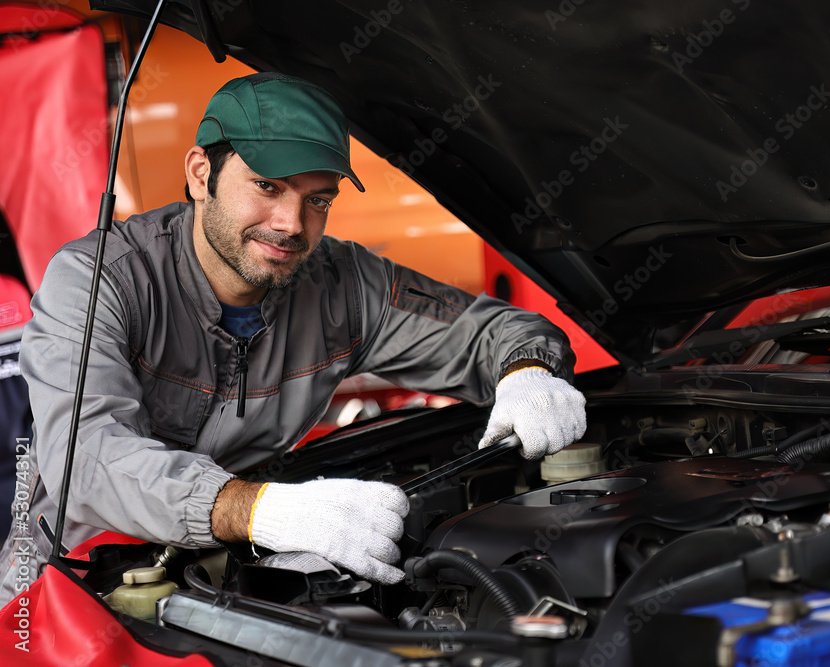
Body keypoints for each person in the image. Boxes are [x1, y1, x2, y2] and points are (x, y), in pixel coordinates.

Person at [0, 72, 585, 603]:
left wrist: (527, 373)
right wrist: (258, 510)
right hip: (68, 586)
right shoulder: (99, 279)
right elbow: (87, 458)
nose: (291, 224)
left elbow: (494, 331)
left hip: (232, 574)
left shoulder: (342, 284)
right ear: (200, 173)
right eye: (267, 186)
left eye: (317, 200)